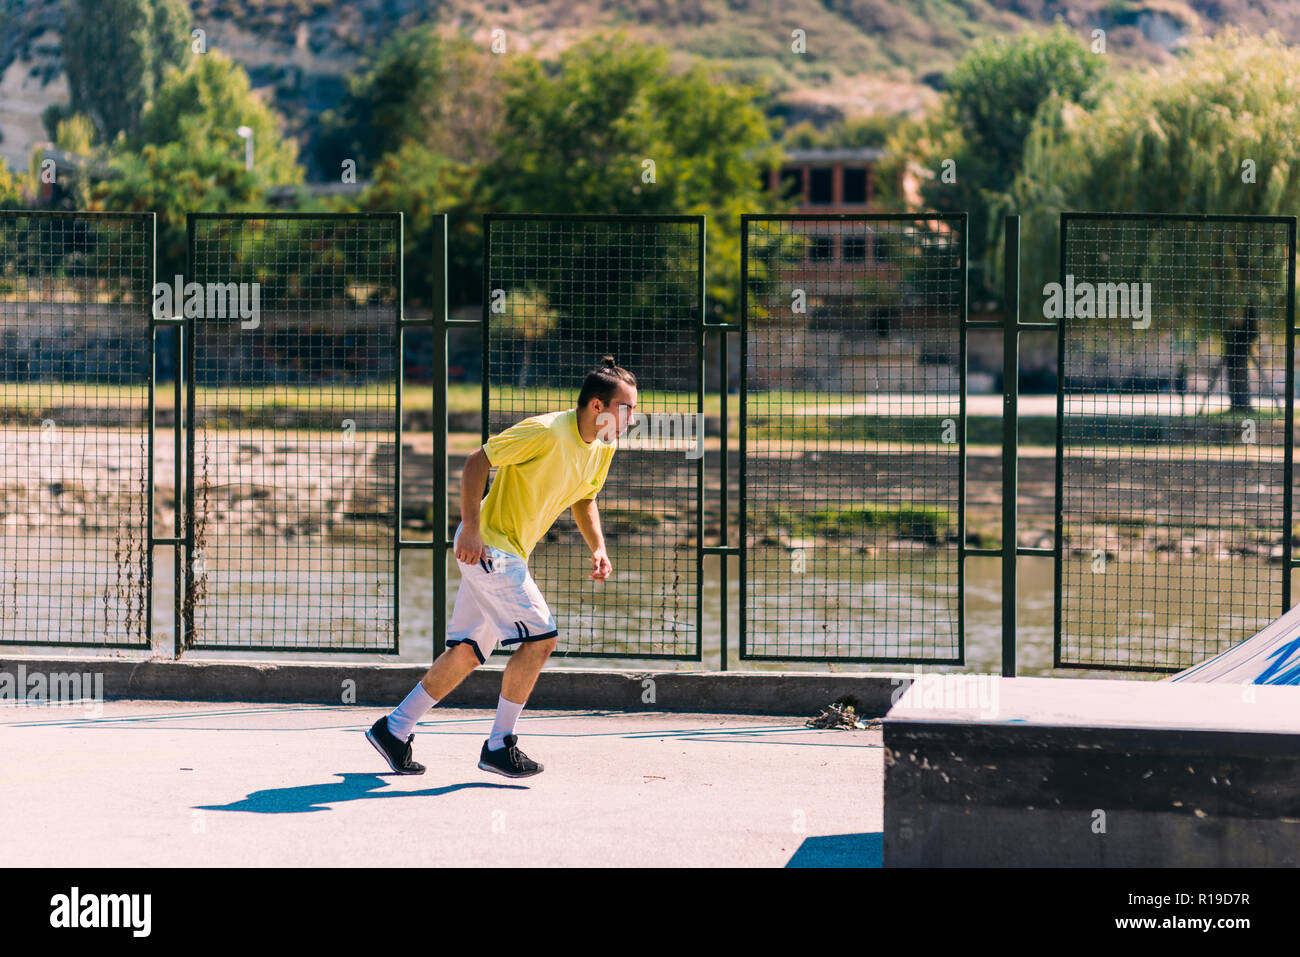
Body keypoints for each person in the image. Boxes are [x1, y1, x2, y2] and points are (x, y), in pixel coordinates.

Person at [366, 355, 637, 777]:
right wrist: (471, 528)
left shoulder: (603, 446)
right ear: (597, 406)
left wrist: (598, 547)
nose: (631, 417)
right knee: (542, 639)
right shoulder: (545, 431)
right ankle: (499, 744)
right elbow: (478, 461)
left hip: (508, 552)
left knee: (468, 654)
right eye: (626, 408)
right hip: (489, 549)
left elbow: (585, 499)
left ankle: (393, 729)